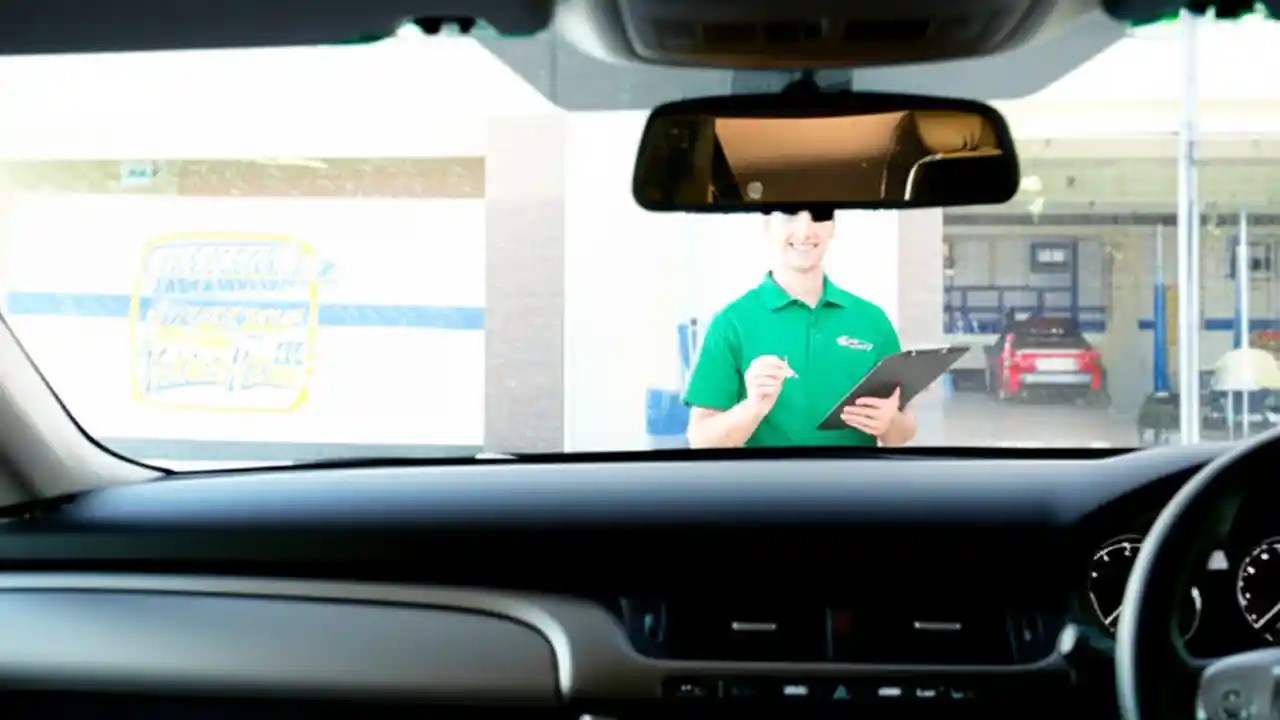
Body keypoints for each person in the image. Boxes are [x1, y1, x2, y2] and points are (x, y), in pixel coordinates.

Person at [683, 209, 917, 448]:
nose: (805, 232)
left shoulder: (872, 321)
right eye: (789, 214)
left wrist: (889, 423)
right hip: (763, 484)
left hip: (852, 483)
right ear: (768, 224)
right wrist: (752, 407)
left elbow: (904, 431)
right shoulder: (730, 323)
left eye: (818, 215)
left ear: (832, 226)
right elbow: (701, 440)